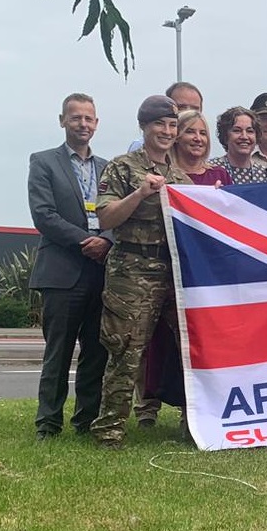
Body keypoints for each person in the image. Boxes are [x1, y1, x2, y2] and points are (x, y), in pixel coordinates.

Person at [89, 95, 192, 448]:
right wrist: (139, 193)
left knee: (190, 349)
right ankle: (109, 429)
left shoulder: (179, 176)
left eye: (172, 125)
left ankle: (193, 422)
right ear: (144, 127)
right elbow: (106, 218)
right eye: (159, 124)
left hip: (173, 270)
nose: (166, 131)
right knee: (125, 350)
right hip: (131, 271)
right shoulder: (121, 168)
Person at [27, 92, 112, 440]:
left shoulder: (108, 167)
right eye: (76, 118)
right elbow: (43, 215)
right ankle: (48, 423)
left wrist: (106, 239)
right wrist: (85, 240)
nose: (83, 124)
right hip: (63, 271)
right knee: (58, 353)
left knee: (96, 351)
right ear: (62, 121)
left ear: (96, 123)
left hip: (102, 270)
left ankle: (87, 420)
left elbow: (119, 212)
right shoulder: (44, 161)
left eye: (89, 118)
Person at [128, 82, 203, 152]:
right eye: (182, 107)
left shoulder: (200, 150)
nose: (189, 112)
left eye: (195, 109)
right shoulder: (141, 147)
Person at [211, 107, 267, 184]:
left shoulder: (264, 174)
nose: (244, 136)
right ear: (225, 136)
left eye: (250, 131)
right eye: (237, 131)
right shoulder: (211, 170)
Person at [172, 110, 232, 186]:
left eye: (203, 133)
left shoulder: (220, 175)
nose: (198, 138)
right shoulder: (167, 175)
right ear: (176, 136)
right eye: (190, 132)